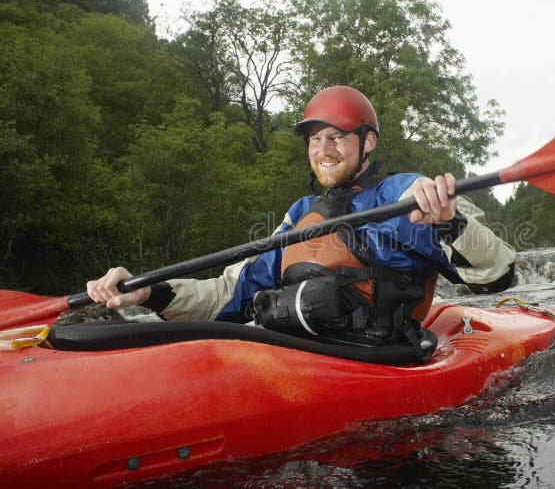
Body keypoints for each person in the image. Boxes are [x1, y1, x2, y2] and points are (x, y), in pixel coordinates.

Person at [87, 86, 516, 345]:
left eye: (336, 137)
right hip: (300, 356)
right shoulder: (298, 215)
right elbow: (226, 298)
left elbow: (499, 275)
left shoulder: (405, 194)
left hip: (379, 362)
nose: (323, 150)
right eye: (314, 140)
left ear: (368, 143)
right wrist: (150, 292)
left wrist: (449, 221)